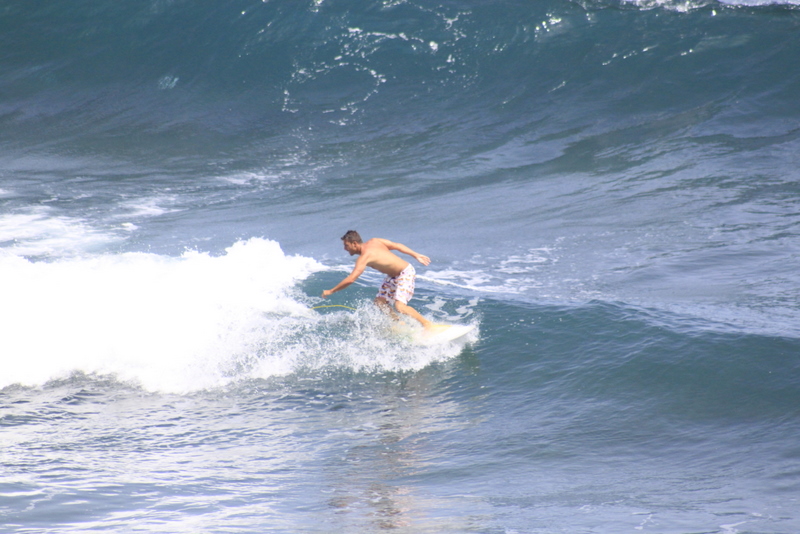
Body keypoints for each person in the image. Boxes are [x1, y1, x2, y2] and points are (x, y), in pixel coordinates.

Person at [322, 230, 434, 330]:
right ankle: (400, 324)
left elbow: (351, 279)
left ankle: (427, 325)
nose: (345, 249)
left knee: (400, 306)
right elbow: (397, 246)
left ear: (354, 243)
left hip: (404, 273)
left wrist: (331, 291)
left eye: (346, 245)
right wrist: (415, 255)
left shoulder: (364, 257)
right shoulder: (375, 241)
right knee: (379, 302)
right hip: (392, 277)